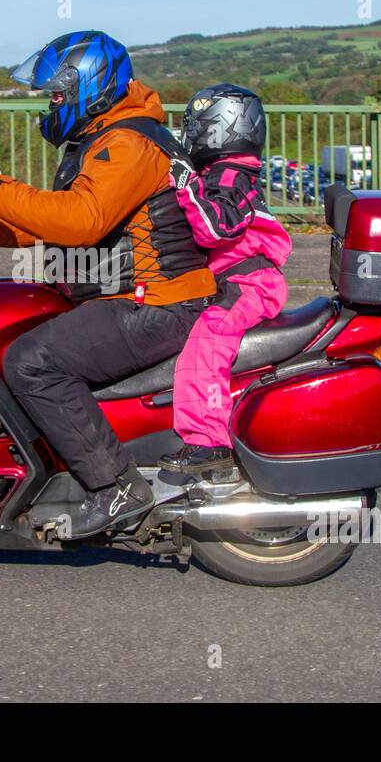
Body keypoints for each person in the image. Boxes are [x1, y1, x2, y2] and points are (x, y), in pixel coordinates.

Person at [0, 31, 216, 537]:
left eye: (55, 93)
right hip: (138, 297)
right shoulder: (109, 134)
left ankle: (115, 489)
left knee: (32, 361)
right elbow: (61, 218)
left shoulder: (129, 142)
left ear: (86, 86)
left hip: (156, 302)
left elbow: (83, 220)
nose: (49, 105)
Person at [159, 84, 292, 476]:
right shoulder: (226, 173)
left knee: (207, 342)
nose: (189, 135)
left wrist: (185, 186)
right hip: (237, 279)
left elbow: (216, 230)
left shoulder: (231, 175)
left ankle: (208, 443)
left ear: (220, 127)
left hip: (250, 282)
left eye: (195, 126)